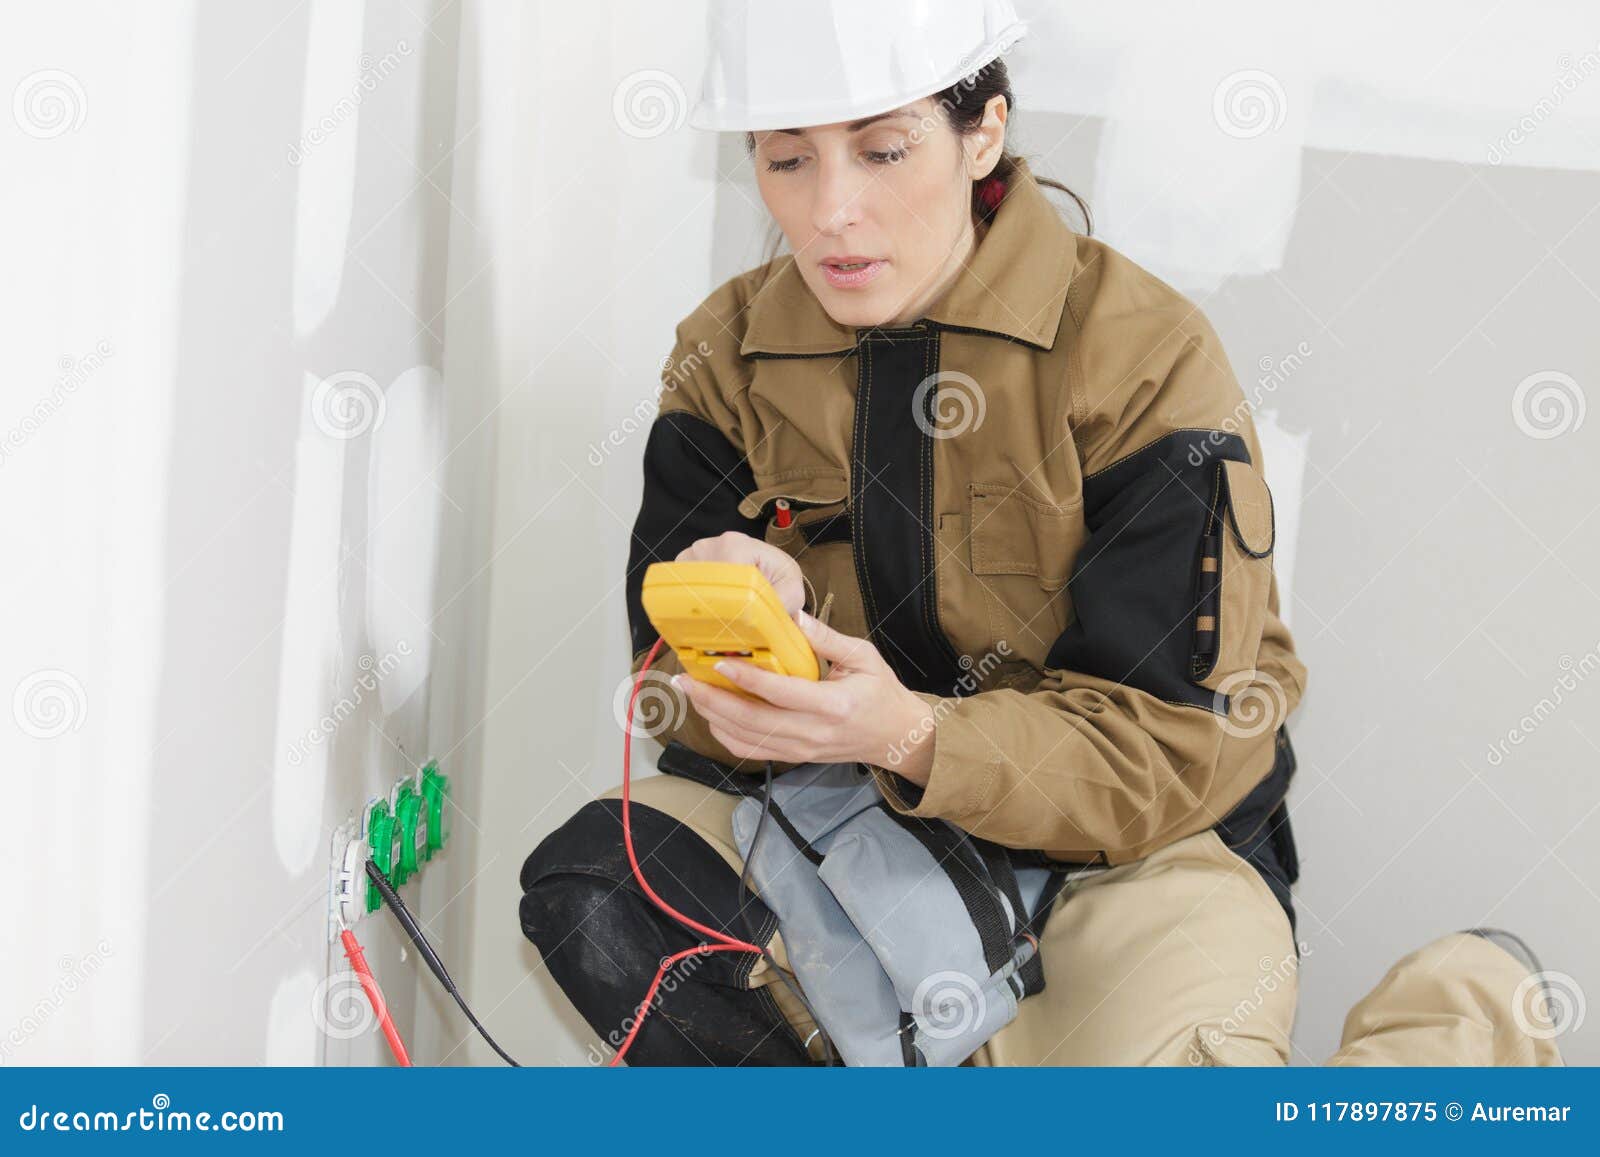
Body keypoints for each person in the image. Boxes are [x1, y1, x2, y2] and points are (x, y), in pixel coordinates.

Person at [519, 0, 1562, 1066]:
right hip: (840, 836)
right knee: (598, 888)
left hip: (1128, 858)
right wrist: (729, 671)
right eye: (787, 161)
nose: (832, 210)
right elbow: (675, 717)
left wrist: (912, 735)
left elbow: (1165, 739)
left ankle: (1463, 1010)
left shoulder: (1141, 357)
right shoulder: (726, 357)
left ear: (984, 130)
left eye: (882, 149)